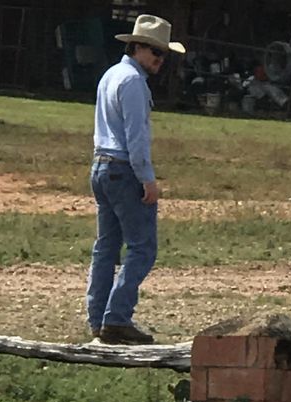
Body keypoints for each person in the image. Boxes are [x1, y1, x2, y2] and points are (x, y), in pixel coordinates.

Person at [86, 15, 185, 345]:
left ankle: (98, 317)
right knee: (143, 248)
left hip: (101, 164)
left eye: (163, 54)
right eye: (156, 52)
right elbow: (136, 138)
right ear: (138, 47)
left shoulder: (111, 75)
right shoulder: (134, 83)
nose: (160, 60)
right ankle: (117, 317)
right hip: (124, 169)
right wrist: (148, 180)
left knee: (106, 247)